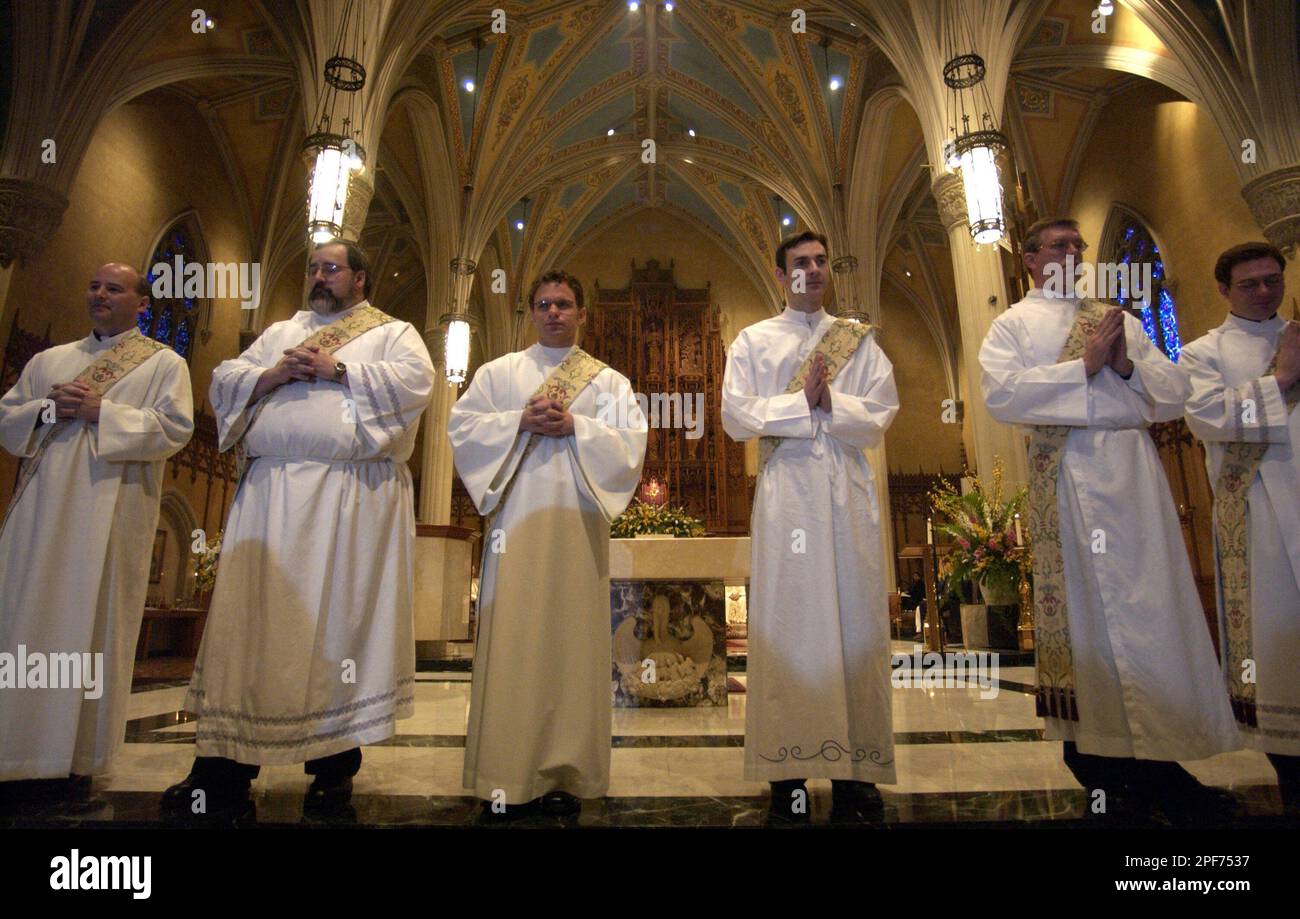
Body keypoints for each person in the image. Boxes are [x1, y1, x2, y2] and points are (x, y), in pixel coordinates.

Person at [979, 217, 1239, 822]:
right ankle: (1096, 760)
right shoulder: (1012, 325)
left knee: (1151, 613)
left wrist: (1124, 366)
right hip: (1065, 477)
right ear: (1030, 259)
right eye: (1059, 246)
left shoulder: (1116, 316)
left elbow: (1174, 393)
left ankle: (1160, 756)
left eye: (1078, 245)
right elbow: (1001, 394)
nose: (1072, 253)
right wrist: (1083, 365)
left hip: (1132, 477)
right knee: (1088, 619)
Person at [162, 240, 433, 814]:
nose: (318, 276)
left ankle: (333, 770)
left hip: (348, 500)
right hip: (271, 497)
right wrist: (269, 375)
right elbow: (225, 378)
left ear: (360, 279)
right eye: (312, 267)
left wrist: (342, 371)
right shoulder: (283, 331)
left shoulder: (393, 334)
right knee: (248, 630)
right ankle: (222, 771)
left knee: (337, 633)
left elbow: (416, 383)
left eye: (331, 268)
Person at [448, 269, 646, 821]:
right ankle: (503, 773)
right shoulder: (499, 374)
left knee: (570, 644)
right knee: (512, 639)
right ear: (530, 312)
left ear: (582, 314)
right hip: (517, 530)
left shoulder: (608, 384)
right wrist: (518, 421)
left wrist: (577, 428)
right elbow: (462, 430)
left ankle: (565, 774)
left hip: (578, 531)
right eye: (544, 304)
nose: (554, 312)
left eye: (564, 304)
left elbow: (631, 446)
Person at [722, 231, 899, 824]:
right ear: (781, 275)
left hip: (847, 492)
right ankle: (787, 770)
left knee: (855, 621)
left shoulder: (858, 340)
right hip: (787, 494)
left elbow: (880, 411)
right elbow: (735, 415)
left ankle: (856, 773)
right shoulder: (754, 340)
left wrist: (832, 406)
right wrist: (802, 403)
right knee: (789, 622)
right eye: (802, 262)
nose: (815, 269)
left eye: (822, 260)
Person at [0, 262, 193, 792]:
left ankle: (78, 759)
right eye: (94, 285)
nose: (100, 295)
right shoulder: (50, 360)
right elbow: (8, 420)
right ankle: (16, 750)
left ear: (142, 304)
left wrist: (103, 412)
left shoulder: (163, 365)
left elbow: (174, 429)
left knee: (95, 628)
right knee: (25, 621)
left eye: (114, 288)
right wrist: (44, 410)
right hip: (42, 513)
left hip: (112, 511)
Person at [1181, 241, 1300, 815]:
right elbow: (1208, 418)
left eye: (1273, 279)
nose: (1264, 291)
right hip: (1260, 519)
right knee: (1281, 660)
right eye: (1250, 284)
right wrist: (1280, 380)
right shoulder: (1203, 353)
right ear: (1224, 290)